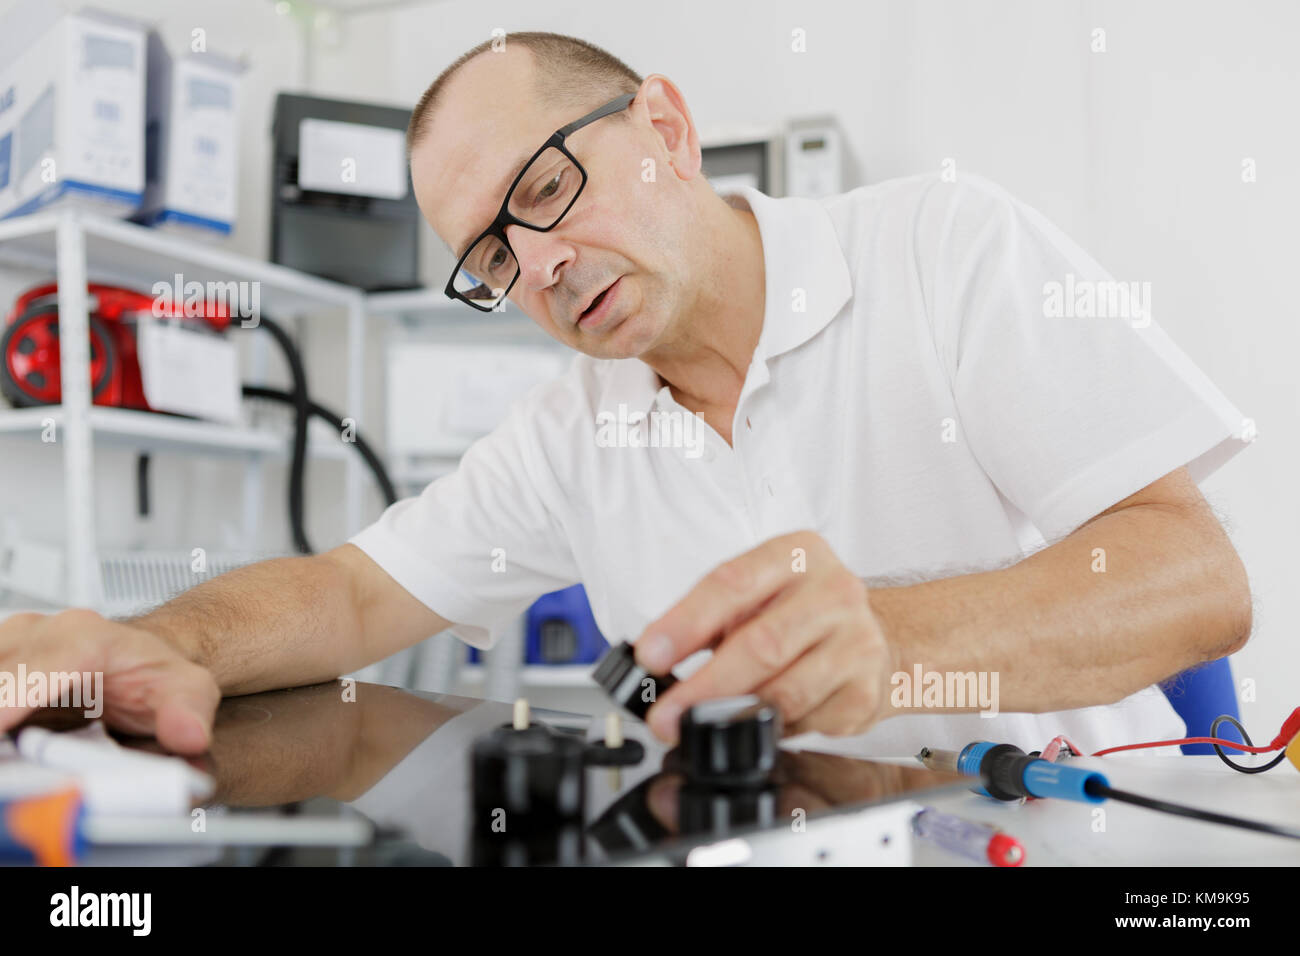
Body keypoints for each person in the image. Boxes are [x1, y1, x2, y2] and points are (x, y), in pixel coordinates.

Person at [0, 32, 1252, 758]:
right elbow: (347, 590)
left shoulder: (943, 249)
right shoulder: (571, 435)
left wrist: (903, 647)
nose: (536, 264)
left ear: (664, 124)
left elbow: (1195, 581)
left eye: (544, 189)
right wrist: (158, 645)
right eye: (492, 255)